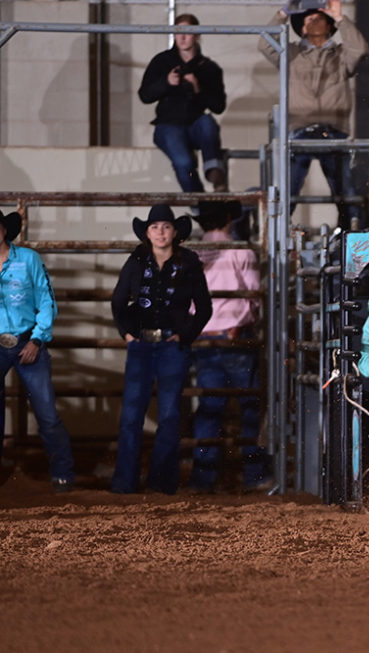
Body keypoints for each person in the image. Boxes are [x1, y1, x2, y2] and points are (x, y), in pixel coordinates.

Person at [110, 204, 212, 494]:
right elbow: (118, 300)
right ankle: (125, 483)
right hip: (141, 344)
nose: (160, 232)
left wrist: (185, 336)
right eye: (155, 227)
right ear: (147, 232)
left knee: (168, 415)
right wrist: (127, 333)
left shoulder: (189, 262)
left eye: (166, 226)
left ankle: (161, 483)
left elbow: (204, 307)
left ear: (175, 231)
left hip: (171, 346)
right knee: (132, 415)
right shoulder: (137, 259)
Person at [259, 0, 369, 227]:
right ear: (302, 28)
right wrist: (283, 13)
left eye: (320, 17)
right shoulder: (289, 53)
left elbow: (360, 49)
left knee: (346, 192)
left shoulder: (341, 55)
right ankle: (278, 233)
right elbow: (264, 44)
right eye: (309, 19)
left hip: (335, 131)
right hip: (299, 131)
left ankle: (348, 237)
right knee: (289, 187)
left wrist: (340, 17)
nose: (315, 20)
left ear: (330, 27)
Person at [188, 201, 268, 493]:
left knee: (210, 407)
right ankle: (254, 474)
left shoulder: (194, 253)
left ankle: (204, 478)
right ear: (229, 219)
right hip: (236, 335)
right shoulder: (241, 250)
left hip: (205, 336)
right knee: (249, 406)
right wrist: (245, 320)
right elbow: (253, 296)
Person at [0, 208, 74, 492]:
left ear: (4, 230)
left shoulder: (29, 259)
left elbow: (47, 301)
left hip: (26, 340)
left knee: (46, 411)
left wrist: (37, 339)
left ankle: (62, 475)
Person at [138, 13, 227, 193]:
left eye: (188, 32)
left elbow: (218, 106)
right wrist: (166, 82)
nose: (183, 37)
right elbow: (145, 95)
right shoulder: (162, 61)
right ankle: (199, 204)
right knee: (183, 162)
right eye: (178, 32)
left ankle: (215, 174)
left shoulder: (208, 67)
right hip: (168, 124)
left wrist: (197, 88)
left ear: (197, 35)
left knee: (207, 123)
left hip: (195, 123)